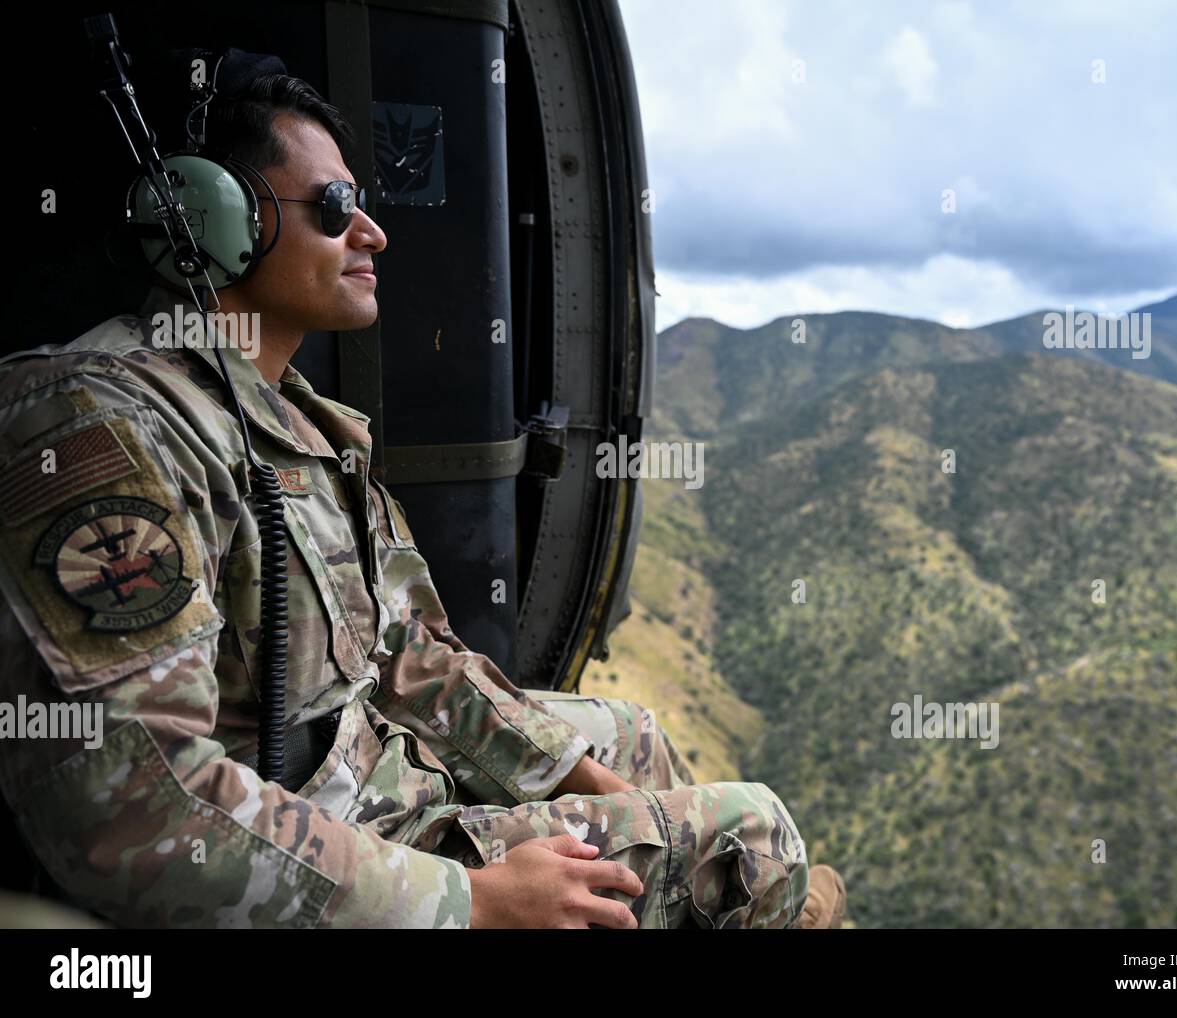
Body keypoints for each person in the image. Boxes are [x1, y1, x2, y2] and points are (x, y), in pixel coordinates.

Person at [0, 64, 842, 928]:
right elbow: (128, 807)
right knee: (758, 842)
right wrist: (468, 903)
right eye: (333, 208)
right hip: (315, 849)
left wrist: (582, 779)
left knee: (632, 734)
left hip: (376, 775)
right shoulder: (97, 425)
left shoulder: (307, 430)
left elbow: (411, 659)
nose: (371, 234)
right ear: (216, 223)